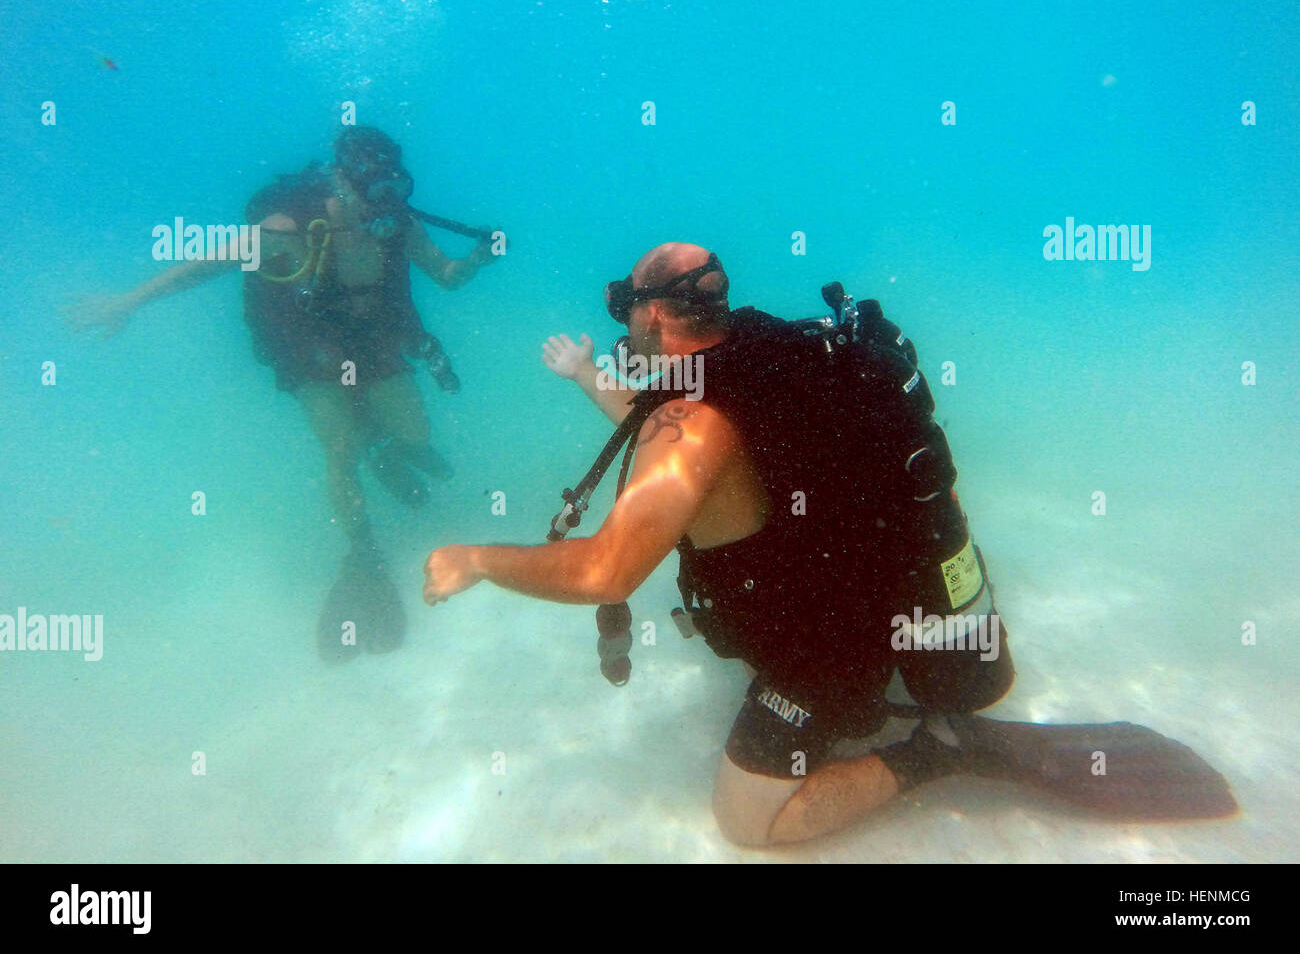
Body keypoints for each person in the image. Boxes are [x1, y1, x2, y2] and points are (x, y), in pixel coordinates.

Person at [422, 243, 1234, 846]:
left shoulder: (689, 429)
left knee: (748, 822)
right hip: (871, 583)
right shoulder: (765, 341)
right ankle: (891, 690)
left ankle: (941, 749)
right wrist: (587, 377)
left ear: (656, 315)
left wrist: (479, 559)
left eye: (626, 306)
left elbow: (609, 565)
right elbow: (679, 440)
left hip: (824, 643)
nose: (623, 323)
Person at [66, 125, 499, 658]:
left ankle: (386, 449)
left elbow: (448, 276)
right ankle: (362, 554)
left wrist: (479, 258)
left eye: (394, 188)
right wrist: (131, 299)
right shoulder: (290, 228)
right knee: (338, 450)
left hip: (375, 342)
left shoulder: (397, 227)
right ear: (341, 183)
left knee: (417, 432)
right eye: (374, 189)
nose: (383, 203)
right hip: (311, 352)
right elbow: (209, 264)